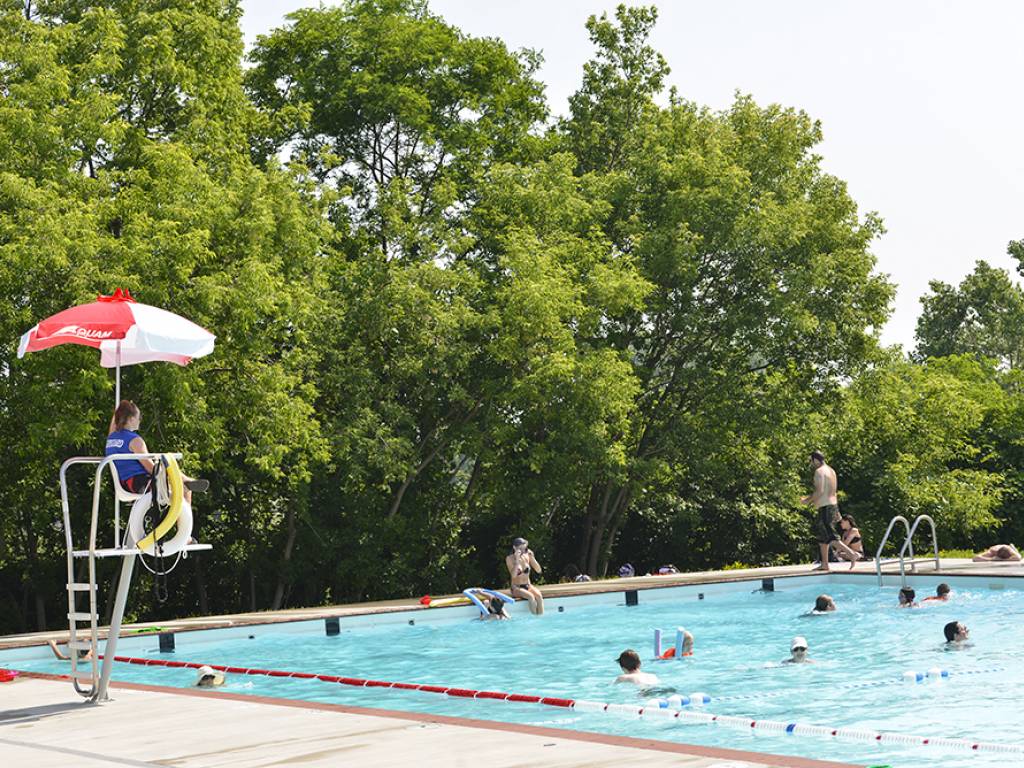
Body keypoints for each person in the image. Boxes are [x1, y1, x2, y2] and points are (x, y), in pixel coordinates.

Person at [106, 400, 209, 503]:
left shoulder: (111, 439)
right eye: (139, 417)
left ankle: (185, 480)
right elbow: (151, 468)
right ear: (131, 419)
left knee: (177, 480)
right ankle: (185, 483)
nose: (140, 420)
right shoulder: (135, 440)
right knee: (184, 488)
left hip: (125, 484)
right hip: (141, 484)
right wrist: (172, 476)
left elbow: (115, 421)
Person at [800, 451, 860, 571]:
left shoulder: (819, 472)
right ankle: (825, 564)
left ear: (815, 460)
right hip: (833, 506)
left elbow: (820, 491)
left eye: (811, 461)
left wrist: (807, 500)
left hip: (825, 507)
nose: (811, 464)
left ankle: (851, 554)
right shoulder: (832, 471)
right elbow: (833, 491)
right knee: (823, 538)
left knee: (831, 536)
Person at [506, 537, 544, 615]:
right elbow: (513, 576)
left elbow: (539, 570)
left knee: (539, 596)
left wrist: (532, 558)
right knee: (530, 597)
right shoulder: (509, 558)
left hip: (528, 585)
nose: (523, 551)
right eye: (520, 549)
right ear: (514, 548)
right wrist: (517, 561)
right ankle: (534, 619)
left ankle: (541, 618)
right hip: (516, 587)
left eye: (524, 549)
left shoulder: (527, 555)